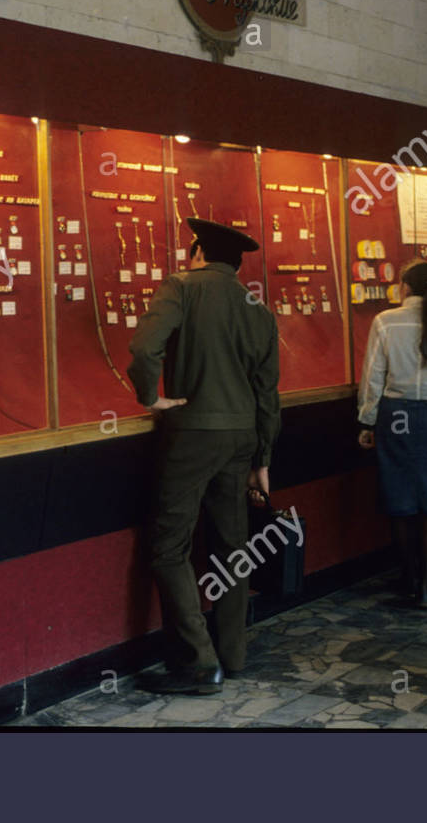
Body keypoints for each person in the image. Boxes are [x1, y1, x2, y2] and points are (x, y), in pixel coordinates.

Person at [127, 217, 280, 694]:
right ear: (235, 264)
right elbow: (267, 391)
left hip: (192, 433)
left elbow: (142, 347)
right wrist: (263, 458)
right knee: (232, 548)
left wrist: (150, 397)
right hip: (242, 438)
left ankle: (199, 661)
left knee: (170, 547)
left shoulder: (180, 287)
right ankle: (233, 654)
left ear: (197, 254)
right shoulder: (258, 307)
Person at [357, 260, 427, 609]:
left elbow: (373, 376)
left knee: (401, 503)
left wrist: (368, 420)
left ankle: (406, 578)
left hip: (397, 415)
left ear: (405, 286)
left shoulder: (385, 322)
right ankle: (424, 587)